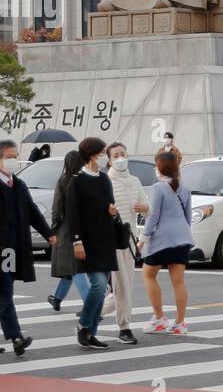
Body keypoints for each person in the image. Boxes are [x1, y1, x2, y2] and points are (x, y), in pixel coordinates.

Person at [0, 141, 53, 356]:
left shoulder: (19, 185)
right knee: (4, 290)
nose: (13, 161)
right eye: (8, 156)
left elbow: (33, 212)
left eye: (15, 156)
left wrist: (50, 235)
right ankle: (16, 336)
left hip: (14, 248)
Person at [65, 137, 120, 349]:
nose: (104, 156)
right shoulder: (76, 181)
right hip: (87, 243)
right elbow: (72, 215)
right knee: (97, 285)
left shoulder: (104, 179)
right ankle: (84, 325)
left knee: (101, 289)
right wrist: (76, 242)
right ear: (91, 155)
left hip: (105, 241)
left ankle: (91, 333)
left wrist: (113, 213)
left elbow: (110, 208)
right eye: (101, 153)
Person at [139, 150, 194, 334]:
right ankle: (180, 323)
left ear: (160, 167)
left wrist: (143, 239)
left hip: (162, 239)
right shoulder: (185, 189)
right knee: (178, 281)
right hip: (183, 239)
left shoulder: (157, 188)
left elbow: (153, 216)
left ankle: (159, 317)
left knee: (148, 275)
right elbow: (188, 218)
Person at [102, 141, 148, 343]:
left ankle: (89, 317)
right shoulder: (105, 182)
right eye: (116, 155)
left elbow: (149, 208)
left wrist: (144, 207)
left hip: (128, 238)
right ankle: (124, 327)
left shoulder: (135, 181)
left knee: (125, 286)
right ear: (109, 160)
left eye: (123, 154)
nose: (121, 158)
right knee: (121, 286)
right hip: (111, 239)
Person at [46, 150, 90, 310]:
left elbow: (56, 208)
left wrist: (54, 227)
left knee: (74, 268)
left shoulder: (64, 181)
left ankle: (91, 306)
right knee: (70, 268)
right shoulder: (86, 180)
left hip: (66, 229)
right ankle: (57, 298)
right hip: (85, 228)